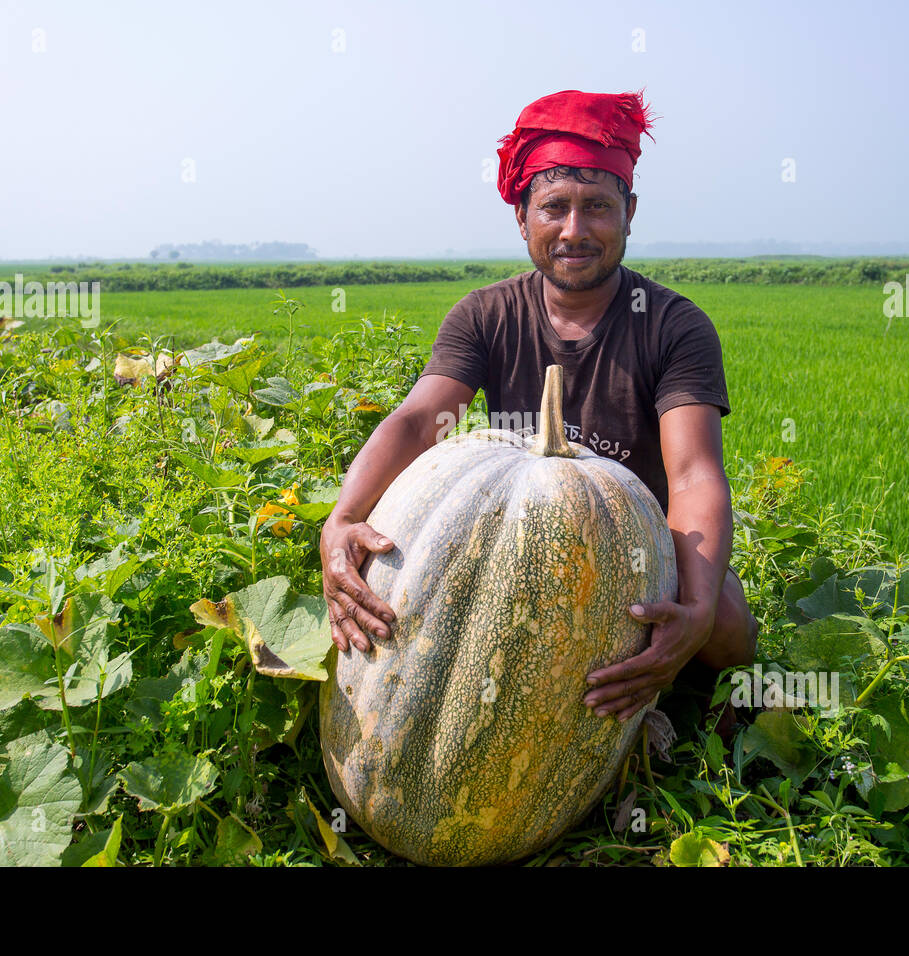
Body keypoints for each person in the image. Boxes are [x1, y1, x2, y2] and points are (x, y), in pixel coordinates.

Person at [320, 88, 757, 732]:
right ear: (523, 218)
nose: (575, 230)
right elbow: (418, 420)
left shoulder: (672, 325)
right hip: (518, 537)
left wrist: (692, 611)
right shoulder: (486, 314)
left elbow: (693, 475)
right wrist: (343, 518)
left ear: (630, 213)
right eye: (554, 207)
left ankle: (687, 695)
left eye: (598, 208)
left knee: (727, 631)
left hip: (637, 551)